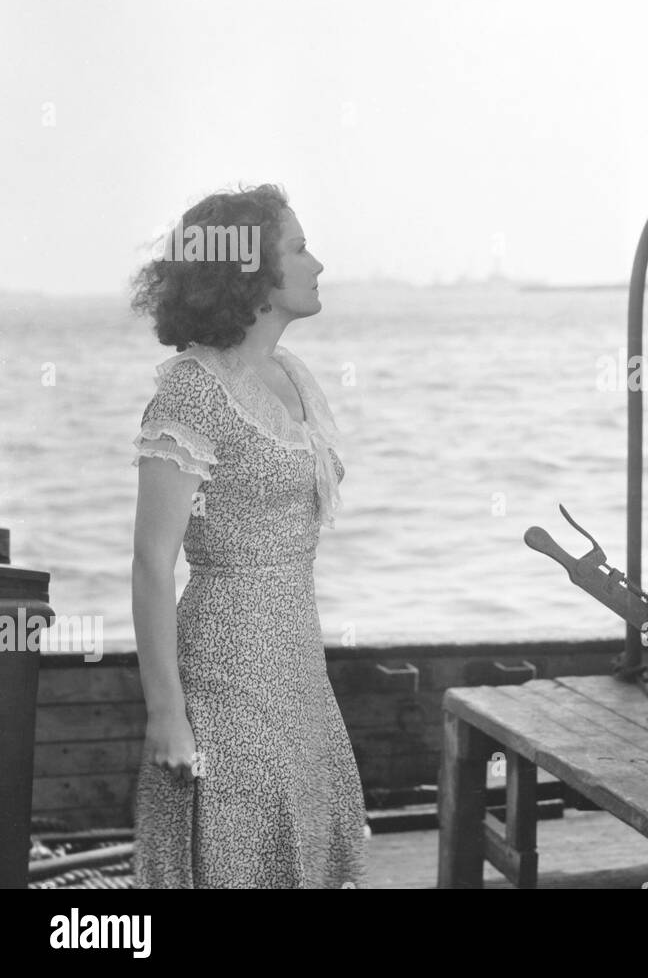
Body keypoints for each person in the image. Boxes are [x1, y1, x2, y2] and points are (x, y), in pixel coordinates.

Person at [128, 184, 366, 887]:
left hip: (297, 662)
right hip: (224, 670)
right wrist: (167, 714)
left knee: (304, 845)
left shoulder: (291, 374)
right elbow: (149, 562)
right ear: (252, 273)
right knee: (236, 853)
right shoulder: (191, 393)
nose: (317, 263)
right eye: (298, 249)